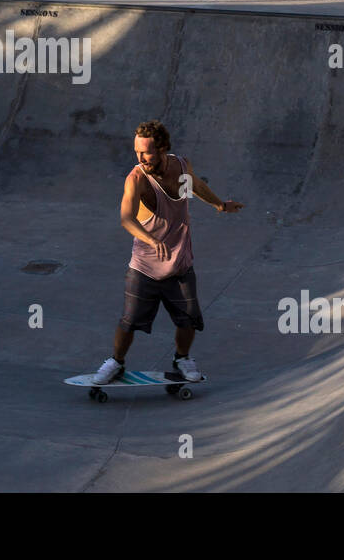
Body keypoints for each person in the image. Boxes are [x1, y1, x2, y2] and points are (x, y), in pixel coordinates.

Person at [91, 120, 243, 385]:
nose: (140, 158)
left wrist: (220, 205)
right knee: (130, 321)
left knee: (188, 319)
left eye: (146, 152)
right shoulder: (137, 178)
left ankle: (182, 358)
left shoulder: (182, 166)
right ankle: (116, 361)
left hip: (180, 264)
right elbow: (126, 218)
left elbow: (195, 185)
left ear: (162, 148)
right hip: (145, 267)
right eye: (137, 152)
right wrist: (150, 239)